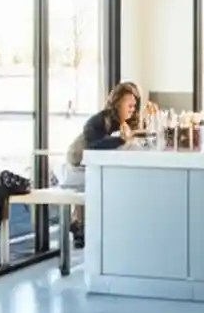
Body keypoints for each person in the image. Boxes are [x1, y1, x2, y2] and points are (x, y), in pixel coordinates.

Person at [62, 82, 145, 248]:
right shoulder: (98, 121)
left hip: (89, 164)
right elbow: (94, 146)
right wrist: (122, 140)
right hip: (77, 164)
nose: (132, 107)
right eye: (129, 103)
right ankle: (80, 226)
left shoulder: (123, 124)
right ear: (118, 102)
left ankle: (83, 225)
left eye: (134, 104)